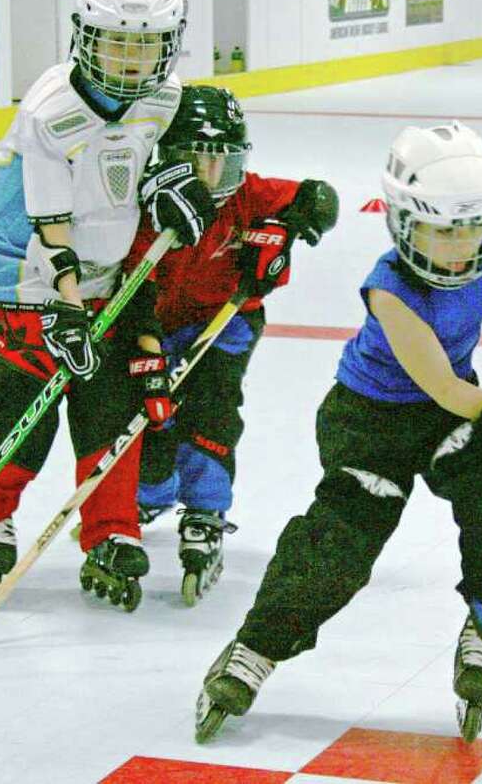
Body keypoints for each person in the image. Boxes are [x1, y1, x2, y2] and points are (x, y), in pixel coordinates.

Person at [193, 121, 482, 743]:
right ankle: (255, 649)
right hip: (372, 420)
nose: (461, 244)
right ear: (404, 223)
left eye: (474, 226)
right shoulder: (392, 291)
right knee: (342, 541)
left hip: (449, 418)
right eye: (442, 229)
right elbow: (446, 388)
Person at [0, 0, 215, 611]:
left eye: (146, 45)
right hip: (20, 280)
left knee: (112, 403)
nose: (131, 61)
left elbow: (154, 166)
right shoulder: (52, 109)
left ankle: (111, 530)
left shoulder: (166, 97)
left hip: (103, 276)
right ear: (86, 37)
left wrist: (172, 186)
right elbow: (52, 224)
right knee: (24, 407)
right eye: (118, 43)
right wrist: (68, 307)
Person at [124, 85, 338, 607]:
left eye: (226, 160)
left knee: (214, 408)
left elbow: (319, 198)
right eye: (196, 160)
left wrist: (285, 231)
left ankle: (205, 507)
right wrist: (149, 353)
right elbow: (132, 296)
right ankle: (151, 493)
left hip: (226, 323)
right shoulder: (145, 209)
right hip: (154, 324)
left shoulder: (248, 196)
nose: (213, 176)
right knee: (152, 414)